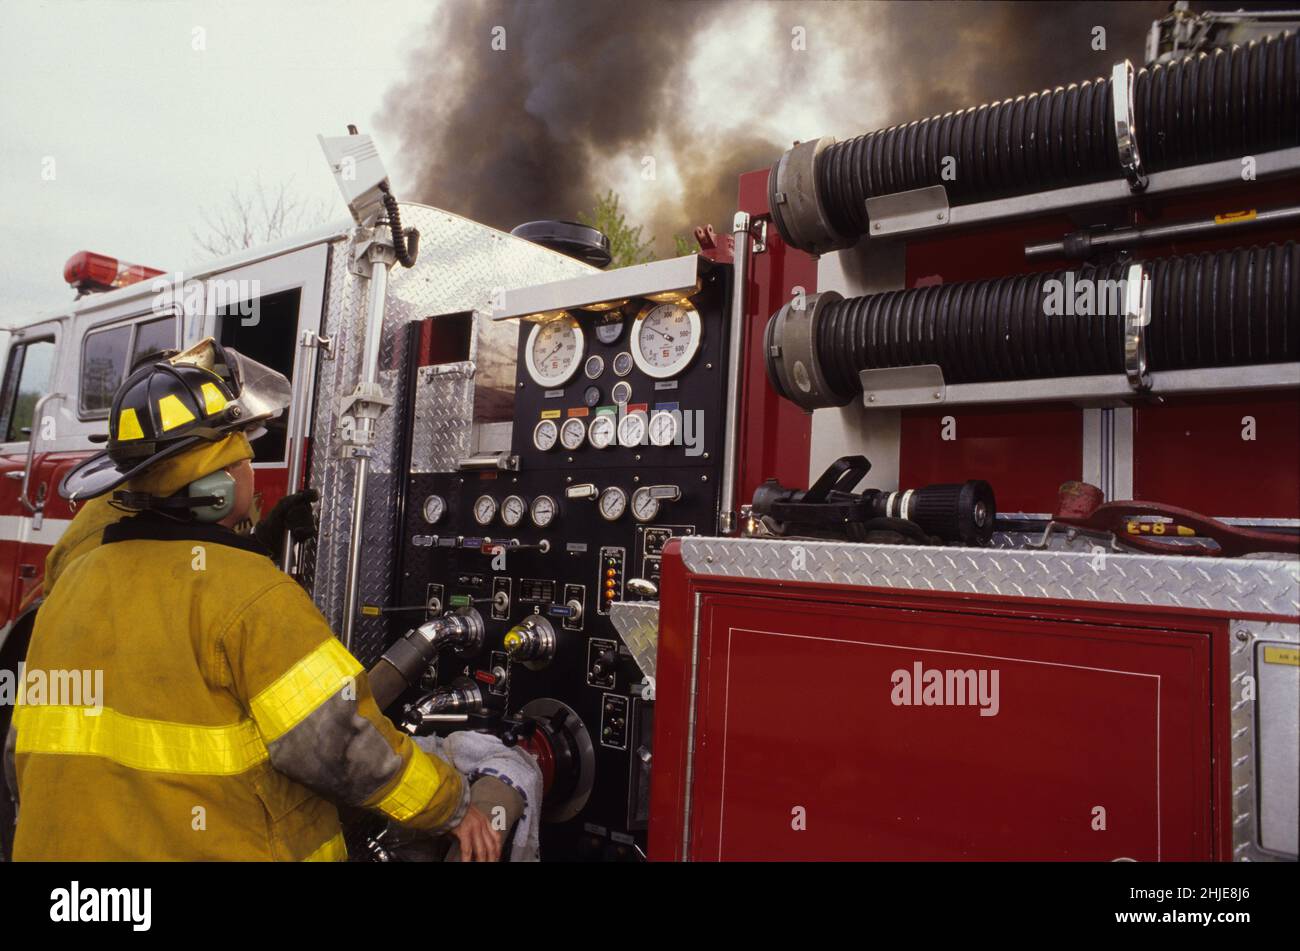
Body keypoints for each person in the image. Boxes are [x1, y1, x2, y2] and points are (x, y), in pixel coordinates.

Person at [4, 339, 500, 861]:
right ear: (216, 484)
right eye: (243, 451)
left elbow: (23, 752)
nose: (250, 469)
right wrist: (451, 805)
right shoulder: (252, 596)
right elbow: (340, 743)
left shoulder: (72, 583)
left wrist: (258, 539)